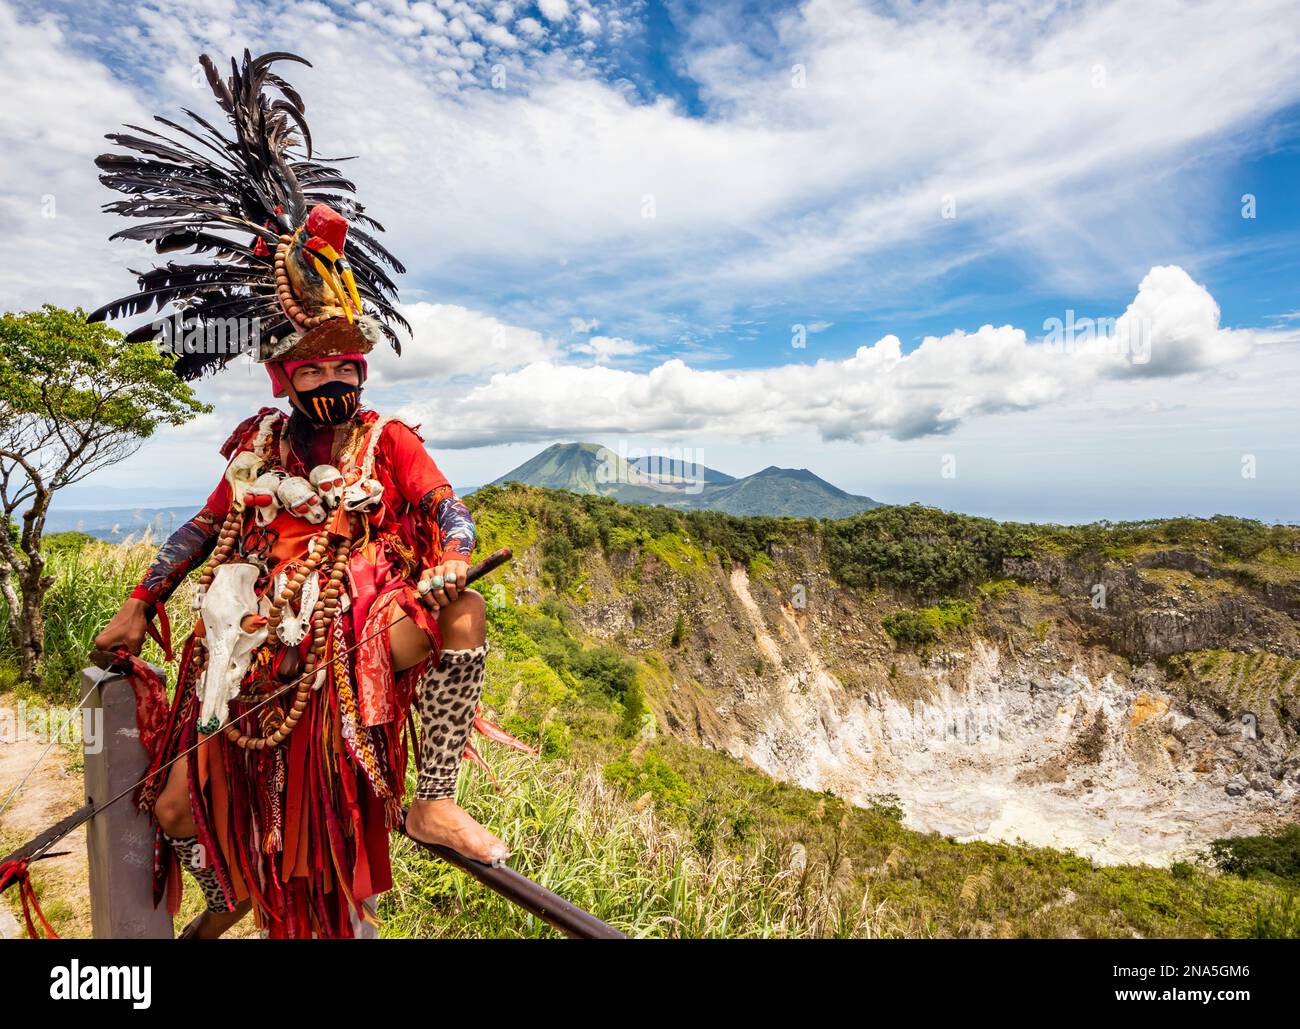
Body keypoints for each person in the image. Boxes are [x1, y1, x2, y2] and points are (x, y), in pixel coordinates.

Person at [88, 49, 532, 939]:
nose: (329, 375)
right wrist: (143, 602)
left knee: (466, 615)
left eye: (343, 362)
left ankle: (432, 800)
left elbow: (452, 512)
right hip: (244, 655)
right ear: (285, 376)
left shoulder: (387, 439)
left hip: (349, 644)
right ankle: (231, 887)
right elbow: (202, 526)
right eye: (312, 365)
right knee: (178, 809)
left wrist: (447, 560)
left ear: (360, 368)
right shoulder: (258, 445)